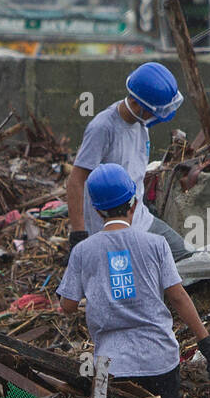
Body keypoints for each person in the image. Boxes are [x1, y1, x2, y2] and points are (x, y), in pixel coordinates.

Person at [57, 163, 210, 398]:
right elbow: (178, 296)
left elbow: (69, 305)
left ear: (96, 209)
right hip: (160, 360)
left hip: (111, 366)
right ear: (134, 203)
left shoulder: (83, 251)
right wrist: (207, 343)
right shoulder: (156, 244)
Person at [65, 61, 189, 263]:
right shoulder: (103, 128)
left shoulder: (141, 124)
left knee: (187, 256)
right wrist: (79, 235)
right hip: (110, 229)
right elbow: (76, 180)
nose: (158, 117)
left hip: (140, 218)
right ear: (137, 104)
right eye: (154, 111)